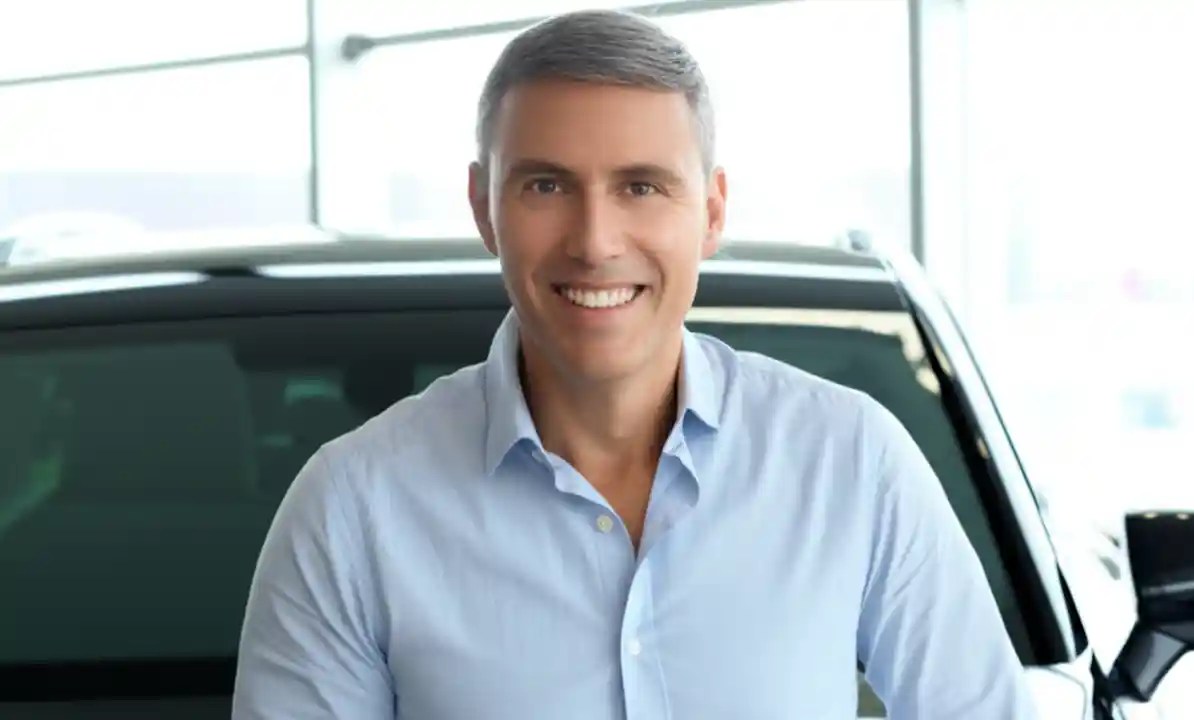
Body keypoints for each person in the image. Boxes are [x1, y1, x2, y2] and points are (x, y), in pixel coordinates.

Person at [232, 10, 1038, 719]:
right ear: (483, 207)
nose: (594, 241)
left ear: (712, 211)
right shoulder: (351, 511)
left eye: (641, 187)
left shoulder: (852, 462)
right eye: (546, 185)